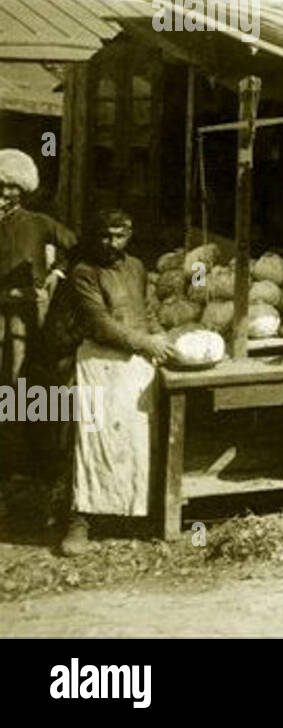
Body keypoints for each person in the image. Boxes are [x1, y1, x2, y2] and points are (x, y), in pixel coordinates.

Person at [40, 208, 171, 556]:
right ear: (93, 236)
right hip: (95, 360)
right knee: (88, 442)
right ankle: (78, 521)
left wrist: (163, 338)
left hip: (133, 365)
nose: (112, 243)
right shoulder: (83, 272)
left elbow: (147, 310)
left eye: (119, 235)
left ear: (130, 235)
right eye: (105, 236)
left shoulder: (137, 268)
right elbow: (100, 324)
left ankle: (129, 514)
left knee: (131, 441)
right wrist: (146, 342)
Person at [0, 150, 77, 388]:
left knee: (23, 359)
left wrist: (58, 271)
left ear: (23, 191)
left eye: (13, 187)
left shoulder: (39, 221)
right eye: (2, 185)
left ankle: (20, 416)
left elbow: (75, 245)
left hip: (30, 300)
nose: (6, 193)